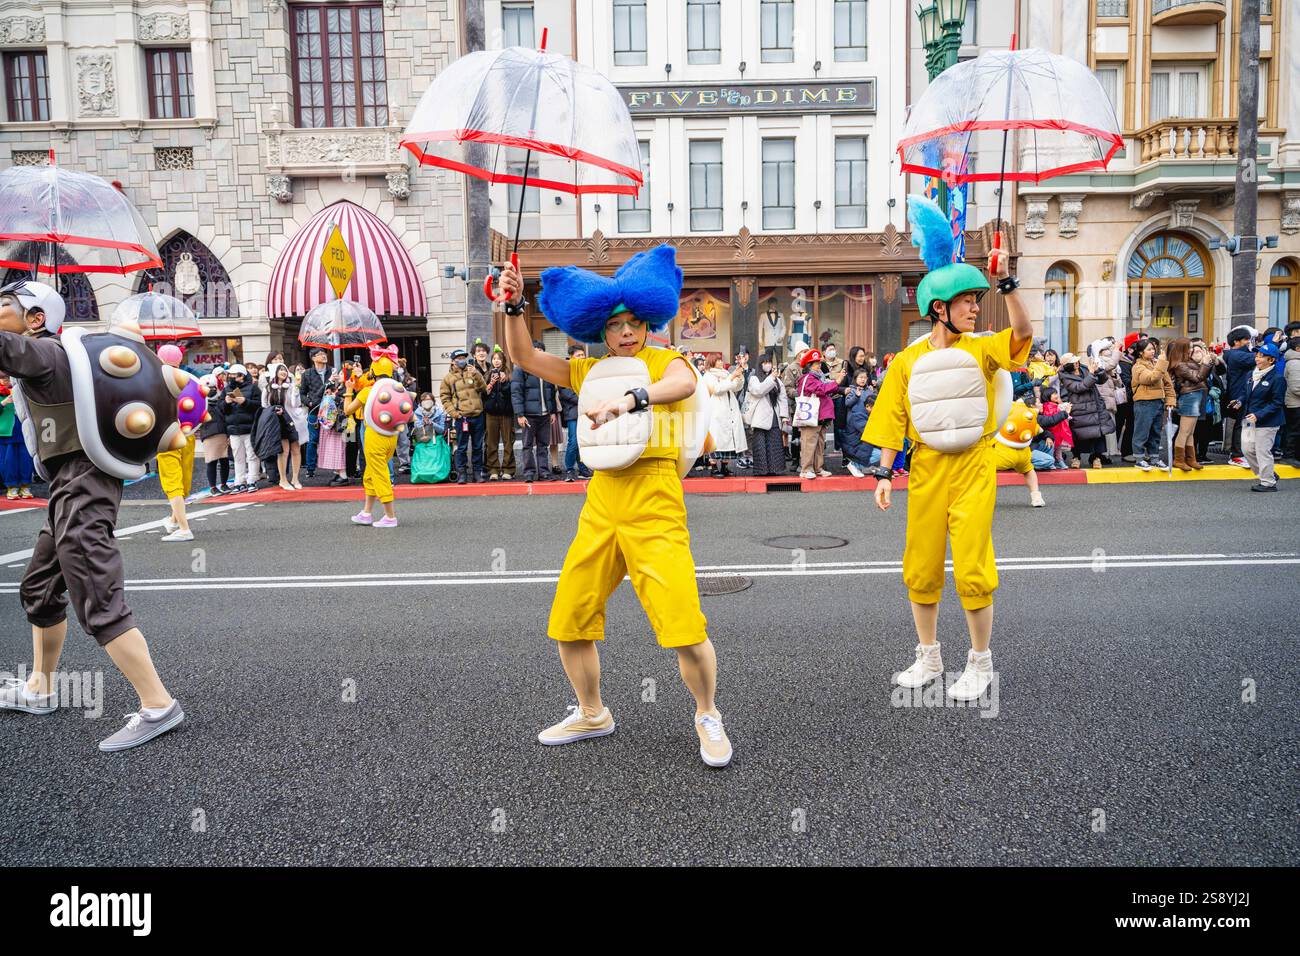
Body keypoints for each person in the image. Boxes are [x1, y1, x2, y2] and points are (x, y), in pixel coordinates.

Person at [498, 244, 733, 768]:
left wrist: (630, 399)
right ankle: (591, 712)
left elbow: (684, 383)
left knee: (684, 625)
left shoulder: (663, 361)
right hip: (602, 499)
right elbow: (526, 358)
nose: (625, 332)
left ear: (648, 322)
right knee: (570, 617)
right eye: (614, 325)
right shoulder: (589, 371)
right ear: (600, 331)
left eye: (632, 323)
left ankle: (707, 713)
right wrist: (513, 306)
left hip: (655, 497)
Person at [862, 194, 1033, 703]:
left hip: (975, 464)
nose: (977, 308)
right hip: (928, 468)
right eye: (968, 301)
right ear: (940, 308)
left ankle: (980, 662)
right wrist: (883, 474)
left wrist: (1008, 285)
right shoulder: (907, 361)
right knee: (920, 564)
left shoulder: (983, 348)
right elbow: (893, 418)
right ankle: (929, 655)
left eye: (979, 300)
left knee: (974, 565)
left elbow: (1023, 333)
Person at [0, 280, 183, 750]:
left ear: (35, 318)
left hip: (85, 481)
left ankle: (158, 704)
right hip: (68, 482)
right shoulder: (46, 355)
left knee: (95, 590)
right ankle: (40, 689)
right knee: (40, 588)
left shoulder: (46, 353)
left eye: (5, 306)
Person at [342, 347, 402, 526]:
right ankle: (367, 512)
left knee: (380, 475)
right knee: (371, 473)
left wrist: (348, 390)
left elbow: (347, 410)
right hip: (391, 437)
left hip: (374, 437)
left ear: (373, 372)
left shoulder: (368, 392)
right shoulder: (398, 389)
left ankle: (390, 516)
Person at [156, 347, 197, 542]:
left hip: (168, 435)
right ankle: (173, 522)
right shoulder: (188, 378)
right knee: (183, 480)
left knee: (172, 481)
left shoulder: (158, 380)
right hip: (189, 435)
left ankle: (183, 528)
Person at [1240, 340, 1287, 492]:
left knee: (1262, 451)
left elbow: (1277, 403)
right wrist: (1239, 401)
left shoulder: (1278, 379)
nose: (1257, 358)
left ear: (1271, 360)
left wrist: (1259, 415)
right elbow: (1246, 394)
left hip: (1268, 422)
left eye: (1262, 356)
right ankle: (1269, 473)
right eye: (1257, 355)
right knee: (1247, 449)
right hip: (1249, 420)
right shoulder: (1250, 374)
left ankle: (1268, 483)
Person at [511, 343, 559, 483]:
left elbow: (551, 392)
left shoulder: (547, 369)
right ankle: (529, 473)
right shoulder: (521, 368)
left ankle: (544, 472)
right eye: (535, 351)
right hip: (528, 415)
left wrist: (553, 412)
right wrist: (520, 414)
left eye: (541, 351)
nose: (538, 354)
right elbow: (516, 393)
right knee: (527, 445)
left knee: (543, 445)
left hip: (545, 415)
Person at [1057, 351, 1113, 469]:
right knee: (1078, 434)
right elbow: (1079, 387)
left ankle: (1096, 458)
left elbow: (1102, 380)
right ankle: (1076, 457)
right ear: (1067, 365)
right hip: (1079, 408)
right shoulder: (1064, 376)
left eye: (1077, 360)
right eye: (1073, 362)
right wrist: (1092, 374)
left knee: (1098, 434)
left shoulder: (1085, 368)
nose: (1077, 363)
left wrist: (1099, 370)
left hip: (1095, 406)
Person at [1166, 337, 1215, 471]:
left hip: (1196, 396)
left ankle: (1190, 459)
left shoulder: (1187, 362)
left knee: (1190, 432)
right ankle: (1179, 459)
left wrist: (1208, 363)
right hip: (1190, 397)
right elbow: (1197, 377)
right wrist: (1205, 364)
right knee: (1184, 431)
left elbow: (1202, 376)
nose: (1192, 349)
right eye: (1190, 347)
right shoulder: (1180, 365)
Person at [440, 348, 487, 483]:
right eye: (459, 358)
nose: (462, 361)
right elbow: (445, 398)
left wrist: (477, 374)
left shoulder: (472, 372)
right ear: (453, 362)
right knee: (462, 447)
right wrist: (455, 414)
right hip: (462, 418)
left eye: (463, 358)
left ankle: (477, 473)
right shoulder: (448, 379)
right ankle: (462, 474)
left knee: (478, 446)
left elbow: (483, 389)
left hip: (478, 415)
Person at [1129, 338, 1175, 471]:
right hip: (1144, 402)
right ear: (1141, 353)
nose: (1152, 351)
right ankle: (1139, 458)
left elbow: (1168, 384)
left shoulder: (1157, 364)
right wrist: (1161, 362)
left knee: (1155, 432)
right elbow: (1151, 378)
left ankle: (1154, 458)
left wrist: (1170, 400)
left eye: (1153, 348)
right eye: (1149, 349)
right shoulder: (1138, 367)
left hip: (1158, 402)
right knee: (1142, 431)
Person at [795, 349, 837, 479]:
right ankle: (806, 469)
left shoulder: (818, 377)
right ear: (808, 366)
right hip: (813, 416)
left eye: (818, 362)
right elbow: (822, 389)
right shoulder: (808, 378)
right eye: (815, 363)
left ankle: (818, 468)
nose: (818, 365)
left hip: (820, 415)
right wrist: (837, 382)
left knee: (819, 443)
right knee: (809, 443)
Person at [264, 361, 305, 490]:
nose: (283, 372)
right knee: (283, 451)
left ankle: (295, 478)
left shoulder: (292, 386)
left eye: (285, 369)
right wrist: (274, 412)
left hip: (292, 420)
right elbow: (264, 405)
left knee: (296, 449)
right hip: (277, 422)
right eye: (280, 369)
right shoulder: (268, 388)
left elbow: (295, 404)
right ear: (275, 372)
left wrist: (296, 390)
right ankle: (283, 479)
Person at [704, 356, 746, 477]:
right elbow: (717, 389)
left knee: (728, 439)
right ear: (712, 362)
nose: (721, 362)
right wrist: (732, 377)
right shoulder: (708, 376)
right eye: (718, 360)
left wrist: (739, 376)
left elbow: (736, 387)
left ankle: (724, 467)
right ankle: (713, 467)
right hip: (716, 411)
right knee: (716, 440)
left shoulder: (725, 373)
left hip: (730, 408)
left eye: (721, 360)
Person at [1221, 326, 1257, 467]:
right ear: (1236, 342)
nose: (1249, 342)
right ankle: (1236, 455)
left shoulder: (1232, 354)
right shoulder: (1237, 355)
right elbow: (1259, 357)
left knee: (1243, 424)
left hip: (1239, 392)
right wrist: (1273, 344)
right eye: (1246, 339)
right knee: (1241, 424)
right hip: (1240, 393)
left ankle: (1239, 454)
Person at [746, 354, 787, 477]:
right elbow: (758, 391)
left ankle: (775, 469)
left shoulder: (776, 380)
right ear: (760, 364)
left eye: (769, 362)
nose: (768, 364)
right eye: (765, 362)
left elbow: (782, 397)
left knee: (774, 442)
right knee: (760, 443)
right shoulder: (754, 378)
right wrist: (771, 379)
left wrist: (784, 415)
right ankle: (761, 470)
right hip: (760, 417)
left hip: (774, 416)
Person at [222, 363, 261, 492]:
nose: (231, 377)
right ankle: (239, 481)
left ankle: (252, 480)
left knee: (252, 455)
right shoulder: (227, 389)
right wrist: (226, 403)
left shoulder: (253, 388)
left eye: (234, 374)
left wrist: (244, 402)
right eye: (230, 374)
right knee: (237, 456)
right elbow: (221, 409)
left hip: (250, 427)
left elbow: (259, 405)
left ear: (242, 376)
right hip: (233, 429)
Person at [0, 371, 35, 499]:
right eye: (2, 378)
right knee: (8, 461)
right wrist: (3, 403)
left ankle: (25, 486)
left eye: (7, 377)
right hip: (5, 432)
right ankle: (11, 487)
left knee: (25, 459)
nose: (5, 380)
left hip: (23, 430)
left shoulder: (21, 389)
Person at [483, 346, 515, 480]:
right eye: (494, 359)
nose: (496, 361)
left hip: (506, 413)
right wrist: (491, 382)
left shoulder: (510, 374)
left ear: (503, 361)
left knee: (508, 441)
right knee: (491, 442)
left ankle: (508, 468)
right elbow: (483, 394)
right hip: (491, 413)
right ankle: (493, 469)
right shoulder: (487, 375)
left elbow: (512, 394)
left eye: (499, 359)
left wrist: (505, 381)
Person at [559, 346, 590, 482]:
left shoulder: (587, 370)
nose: (582, 357)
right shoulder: (566, 371)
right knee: (573, 441)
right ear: (571, 357)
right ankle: (569, 469)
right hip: (572, 413)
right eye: (578, 355)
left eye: (583, 355)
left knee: (583, 442)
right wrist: (585, 399)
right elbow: (565, 393)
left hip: (585, 412)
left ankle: (583, 468)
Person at [840, 367, 877, 479]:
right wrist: (856, 396)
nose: (863, 380)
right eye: (860, 377)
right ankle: (856, 464)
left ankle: (864, 466)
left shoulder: (869, 390)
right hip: (855, 422)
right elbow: (847, 403)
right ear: (855, 378)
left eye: (865, 378)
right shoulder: (851, 390)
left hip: (867, 420)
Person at [299, 348, 331, 478]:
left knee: (334, 439)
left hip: (331, 409)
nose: (324, 356)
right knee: (313, 440)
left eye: (324, 354)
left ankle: (335, 467)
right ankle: (310, 468)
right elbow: (301, 393)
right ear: (313, 358)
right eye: (320, 354)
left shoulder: (332, 371)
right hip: (314, 409)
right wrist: (309, 403)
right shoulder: (307, 374)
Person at [315, 381, 347, 480]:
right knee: (333, 447)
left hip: (341, 422)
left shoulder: (347, 388)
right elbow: (317, 395)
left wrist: (335, 398)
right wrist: (327, 383)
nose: (339, 374)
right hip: (331, 422)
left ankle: (343, 474)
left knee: (339, 447)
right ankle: (338, 472)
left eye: (342, 373)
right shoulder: (335, 387)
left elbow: (348, 402)